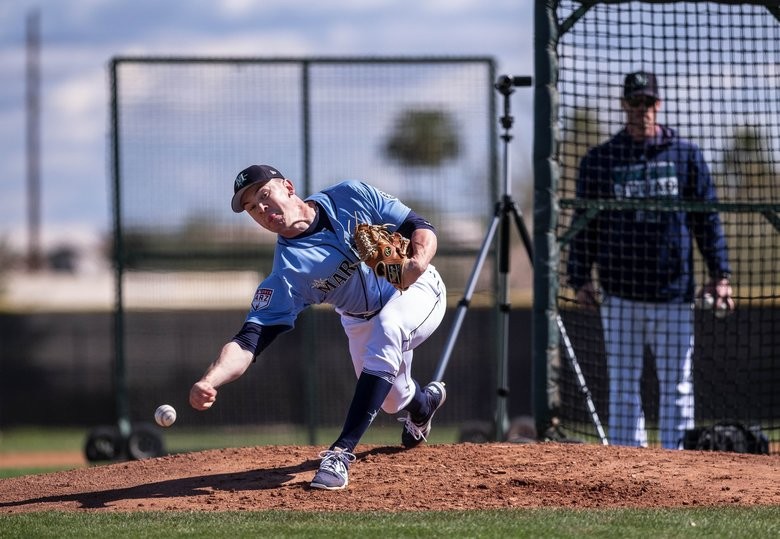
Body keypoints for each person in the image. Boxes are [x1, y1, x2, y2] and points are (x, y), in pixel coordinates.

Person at [189, 164, 448, 490]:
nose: (262, 210)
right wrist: (211, 379)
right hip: (360, 320)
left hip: (416, 290)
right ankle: (424, 406)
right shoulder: (287, 273)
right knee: (392, 401)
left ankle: (340, 453)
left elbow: (418, 225)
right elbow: (248, 340)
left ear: (289, 187)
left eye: (265, 195)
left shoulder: (351, 195)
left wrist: (417, 261)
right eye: (252, 208)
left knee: (389, 326)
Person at [566, 71, 734, 449]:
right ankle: (629, 464)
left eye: (648, 102)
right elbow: (585, 225)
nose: (641, 109)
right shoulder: (601, 160)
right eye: (634, 102)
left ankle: (678, 464)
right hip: (621, 293)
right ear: (624, 105)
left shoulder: (686, 156)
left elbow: (707, 220)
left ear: (658, 105)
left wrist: (720, 273)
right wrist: (579, 279)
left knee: (677, 384)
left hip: (674, 294)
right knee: (624, 384)